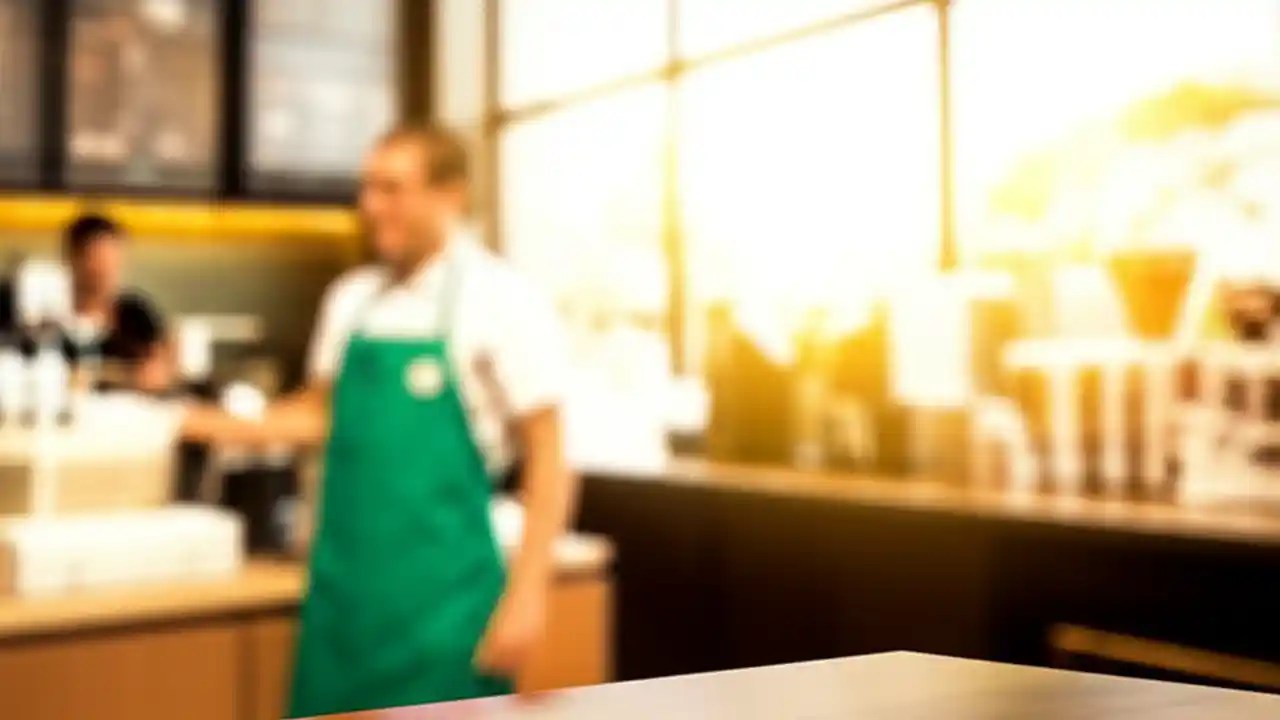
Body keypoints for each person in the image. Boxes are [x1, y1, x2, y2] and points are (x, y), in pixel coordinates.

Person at [184, 124, 577, 716]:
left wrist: (527, 595)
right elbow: (317, 415)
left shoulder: (500, 298)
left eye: (392, 189)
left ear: (451, 196)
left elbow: (549, 453)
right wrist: (198, 423)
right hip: (344, 611)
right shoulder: (351, 299)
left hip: (448, 614)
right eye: (367, 188)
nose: (370, 206)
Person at [0, 213, 172, 392]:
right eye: (98, 260)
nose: (107, 272)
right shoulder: (35, 313)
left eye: (113, 261)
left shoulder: (135, 313)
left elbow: (159, 372)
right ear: (72, 259)